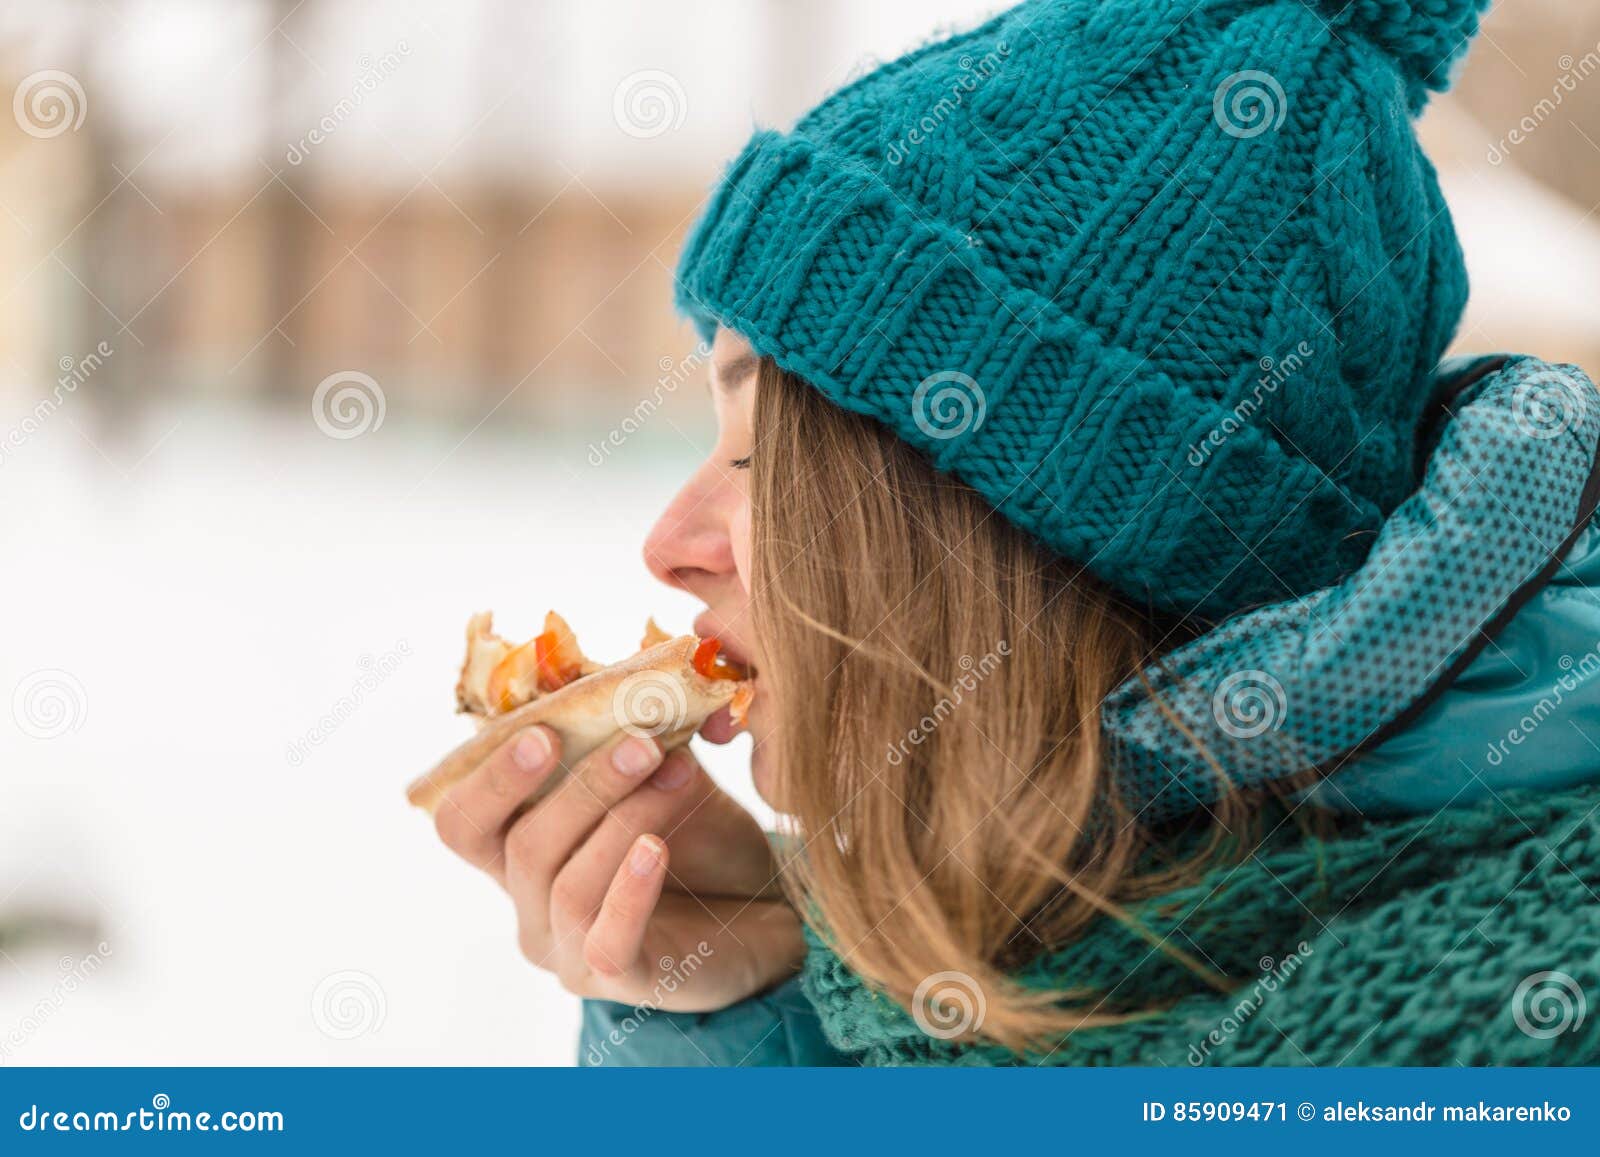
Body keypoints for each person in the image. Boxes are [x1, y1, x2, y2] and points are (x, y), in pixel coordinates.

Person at [428, 0, 1600, 1064]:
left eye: (765, 458)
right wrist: (763, 1001)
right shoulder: (1005, 976)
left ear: (1040, 526)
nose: (670, 542)